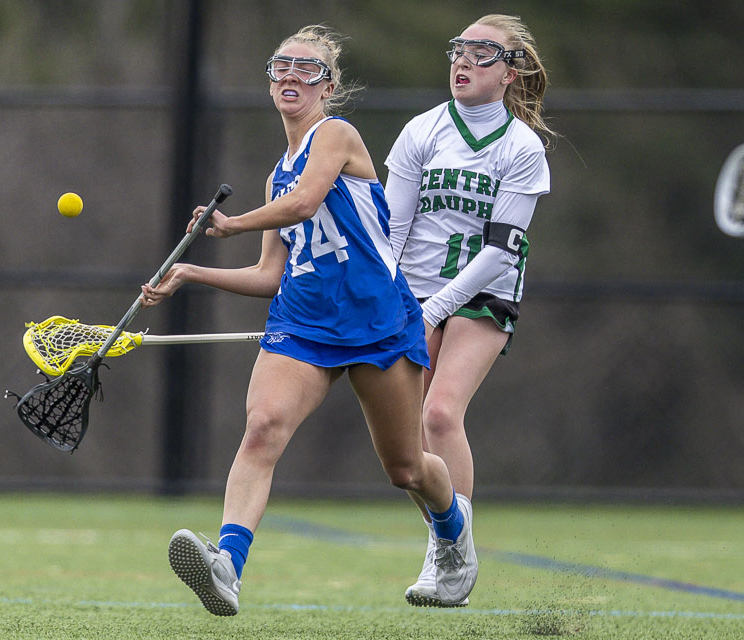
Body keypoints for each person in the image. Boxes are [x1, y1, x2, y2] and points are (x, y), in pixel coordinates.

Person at [139, 25, 477, 616]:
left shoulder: (336, 136)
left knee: (405, 469)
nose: (291, 76)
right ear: (270, 80)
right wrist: (193, 272)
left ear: (327, 86)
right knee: (262, 428)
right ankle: (227, 566)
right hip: (302, 320)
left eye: (307, 69)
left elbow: (304, 203)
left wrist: (228, 222)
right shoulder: (275, 175)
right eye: (281, 66)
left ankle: (452, 530)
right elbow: (271, 274)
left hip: (377, 321)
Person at [383, 14, 553, 608]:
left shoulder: (522, 148)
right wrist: (389, 293)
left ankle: (450, 555)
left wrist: (438, 307)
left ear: (511, 72)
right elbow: (394, 227)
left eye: (485, 54)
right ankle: (448, 531)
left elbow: (502, 248)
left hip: (483, 290)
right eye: (460, 49)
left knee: (440, 415)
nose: (465, 61)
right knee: (403, 451)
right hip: (415, 291)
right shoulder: (422, 130)